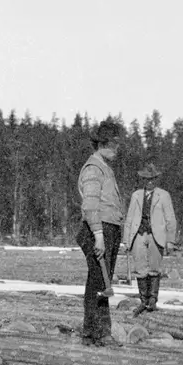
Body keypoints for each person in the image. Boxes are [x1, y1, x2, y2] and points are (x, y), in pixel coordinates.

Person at [76, 119, 125, 347]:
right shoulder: (94, 169)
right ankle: (96, 333)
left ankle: (96, 332)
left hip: (108, 229)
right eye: (114, 145)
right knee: (99, 283)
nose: (117, 149)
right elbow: (90, 206)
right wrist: (98, 235)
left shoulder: (105, 168)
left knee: (102, 283)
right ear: (103, 144)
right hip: (99, 229)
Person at [121, 163, 178, 316]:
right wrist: (126, 240)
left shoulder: (164, 195)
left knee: (154, 268)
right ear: (143, 180)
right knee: (140, 269)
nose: (150, 182)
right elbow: (130, 218)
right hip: (138, 234)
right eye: (147, 179)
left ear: (156, 179)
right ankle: (143, 301)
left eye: (152, 179)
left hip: (156, 236)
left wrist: (170, 240)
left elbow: (170, 219)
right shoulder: (136, 196)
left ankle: (152, 300)